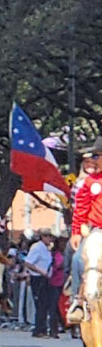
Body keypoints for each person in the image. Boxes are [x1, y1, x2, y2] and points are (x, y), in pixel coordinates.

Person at [67, 139, 102, 324]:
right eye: (92, 157)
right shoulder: (89, 182)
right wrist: (75, 232)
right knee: (78, 259)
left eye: (96, 156)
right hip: (97, 231)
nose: (93, 161)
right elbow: (81, 209)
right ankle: (78, 302)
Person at [25, 229, 58, 338]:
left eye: (50, 236)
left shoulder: (46, 249)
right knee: (40, 304)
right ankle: (39, 330)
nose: (49, 239)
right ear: (42, 237)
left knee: (45, 304)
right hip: (38, 278)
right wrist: (40, 271)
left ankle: (42, 328)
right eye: (47, 236)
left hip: (45, 278)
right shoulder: (37, 247)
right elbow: (28, 263)